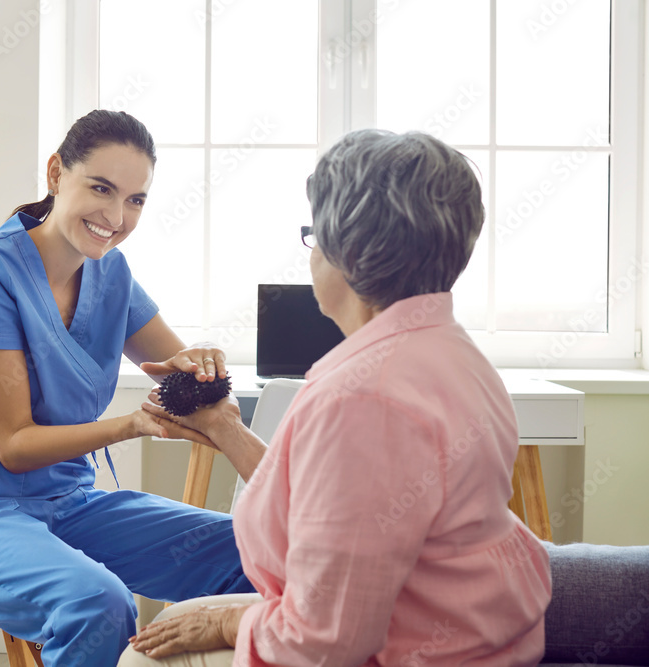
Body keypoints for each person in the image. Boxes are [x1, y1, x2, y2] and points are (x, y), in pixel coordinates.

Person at [123, 129, 553, 666]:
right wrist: (225, 427)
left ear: (348, 253)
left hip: (418, 650)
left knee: (144, 657)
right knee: (174, 622)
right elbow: (331, 507)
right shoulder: (452, 353)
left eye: (314, 236)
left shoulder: (366, 398)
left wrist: (233, 621)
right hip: (463, 631)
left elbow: (325, 640)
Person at [0, 109, 254, 667]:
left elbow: (178, 372)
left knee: (254, 549)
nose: (116, 216)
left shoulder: (112, 275)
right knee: (98, 604)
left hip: (68, 505)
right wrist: (133, 424)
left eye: (136, 200)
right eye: (101, 188)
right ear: (56, 172)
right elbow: (13, 446)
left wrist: (202, 371)